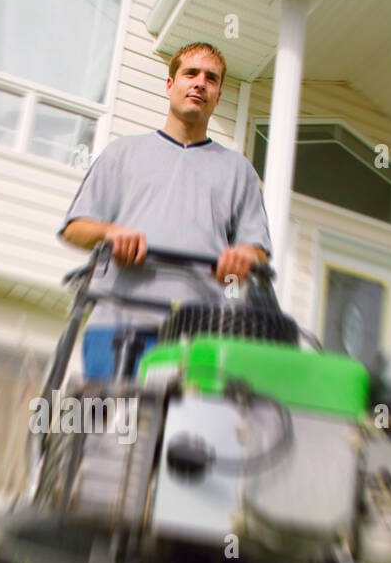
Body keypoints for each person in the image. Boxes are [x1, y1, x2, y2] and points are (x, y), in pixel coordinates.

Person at [57, 42, 273, 377]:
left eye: (211, 79)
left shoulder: (238, 171)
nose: (200, 83)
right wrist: (111, 233)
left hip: (198, 332)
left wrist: (242, 256)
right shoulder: (122, 153)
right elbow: (75, 229)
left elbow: (258, 249)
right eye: (191, 73)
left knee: (182, 429)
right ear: (170, 84)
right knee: (107, 425)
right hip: (116, 321)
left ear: (217, 97)